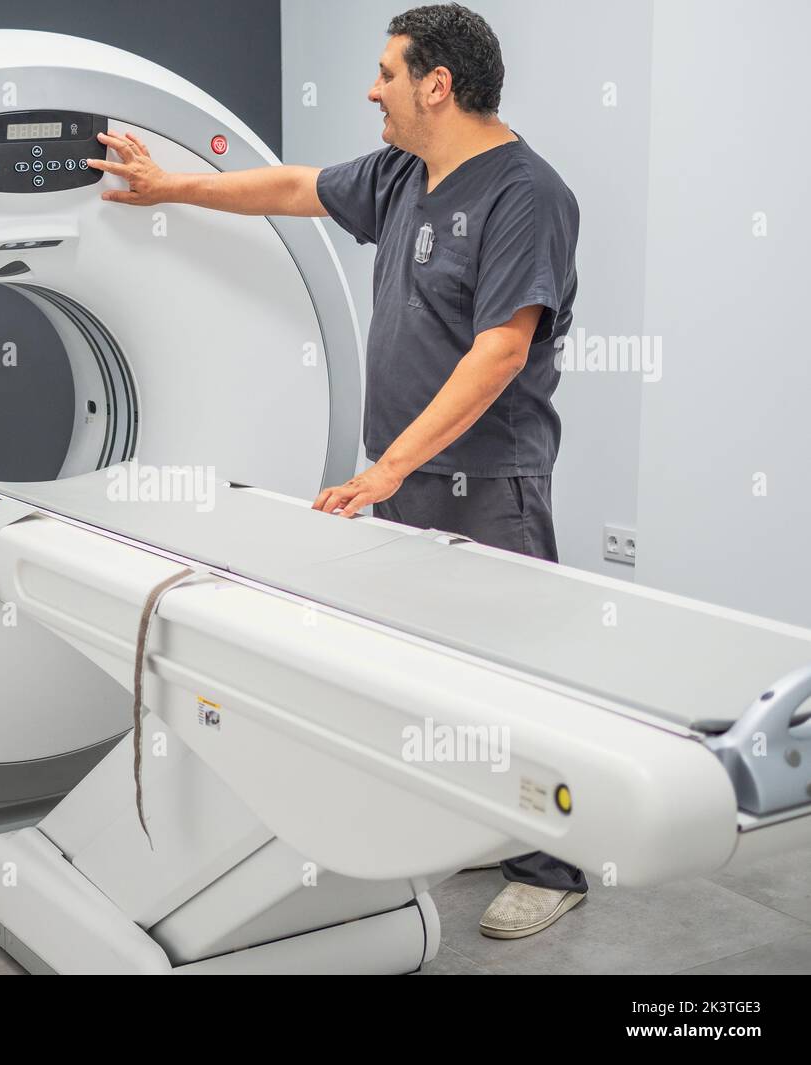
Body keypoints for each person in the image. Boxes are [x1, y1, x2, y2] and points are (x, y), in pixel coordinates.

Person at [87, 2, 584, 939]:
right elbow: (295, 188)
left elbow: (502, 351)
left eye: (388, 73)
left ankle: (552, 863)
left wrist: (387, 468)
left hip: (488, 479)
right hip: (404, 477)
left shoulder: (526, 194)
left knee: (517, 677)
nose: (372, 89)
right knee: (427, 673)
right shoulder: (406, 173)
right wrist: (170, 188)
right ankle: (485, 818)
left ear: (437, 84)